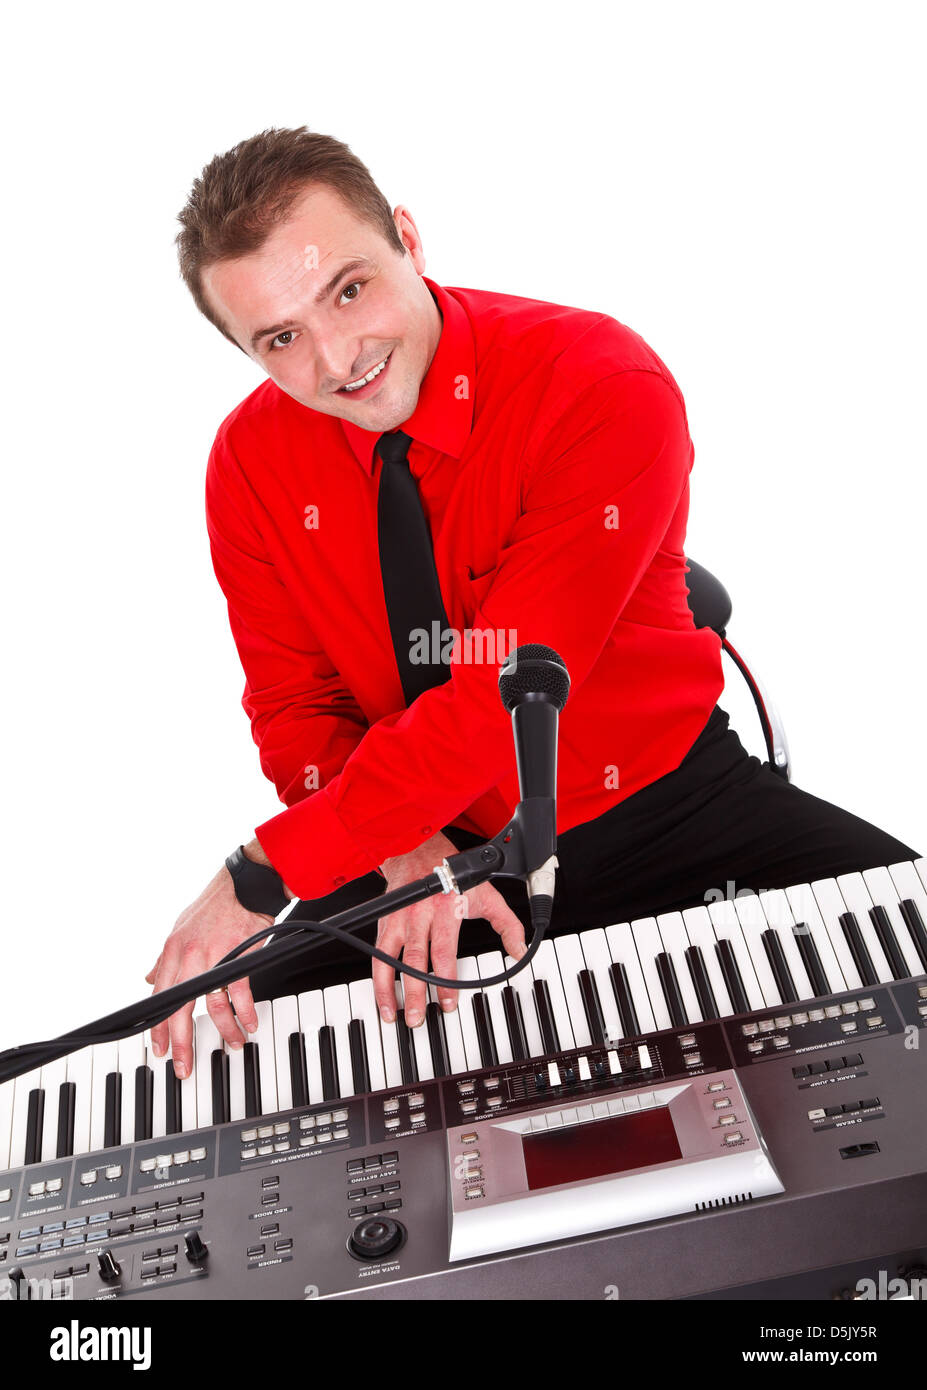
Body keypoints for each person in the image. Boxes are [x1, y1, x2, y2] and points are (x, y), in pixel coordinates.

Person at [147, 126, 919, 1080]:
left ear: (407, 237)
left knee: (905, 972)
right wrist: (399, 849)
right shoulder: (248, 466)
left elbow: (496, 707)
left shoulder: (595, 382)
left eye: (348, 289)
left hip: (669, 807)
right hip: (429, 847)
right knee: (236, 1073)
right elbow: (295, 709)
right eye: (280, 338)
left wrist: (260, 873)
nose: (338, 356)